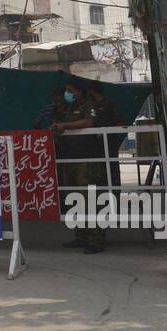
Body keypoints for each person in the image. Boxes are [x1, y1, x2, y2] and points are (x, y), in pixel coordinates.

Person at [52, 77, 106, 253]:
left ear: (78, 91)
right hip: (70, 158)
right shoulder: (68, 108)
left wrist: (65, 125)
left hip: (86, 159)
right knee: (74, 198)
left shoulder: (88, 106)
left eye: (70, 90)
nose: (67, 94)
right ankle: (80, 235)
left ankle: (95, 240)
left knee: (89, 198)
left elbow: (89, 122)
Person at [87, 82, 123, 189]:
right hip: (95, 145)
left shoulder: (109, 105)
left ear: (92, 91)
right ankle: (102, 197)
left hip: (110, 144)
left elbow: (119, 123)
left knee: (112, 171)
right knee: (98, 172)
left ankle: (115, 196)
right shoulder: (91, 106)